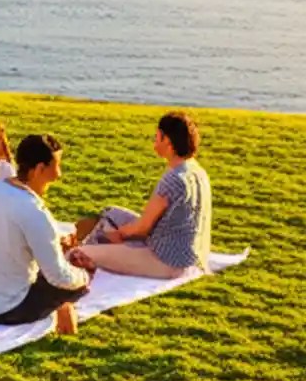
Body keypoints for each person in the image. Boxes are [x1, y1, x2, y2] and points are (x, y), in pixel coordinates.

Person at [0, 134, 93, 334]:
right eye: (56, 166)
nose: (59, 174)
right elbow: (58, 276)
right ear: (39, 169)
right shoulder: (32, 210)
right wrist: (84, 276)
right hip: (4, 309)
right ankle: (65, 312)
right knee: (75, 282)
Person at [71, 111, 212, 279]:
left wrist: (122, 233)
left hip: (166, 261)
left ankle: (79, 252)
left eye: (156, 136)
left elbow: (143, 227)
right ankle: (85, 243)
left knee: (78, 254)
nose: (154, 141)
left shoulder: (173, 179)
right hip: (184, 254)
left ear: (166, 140)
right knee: (110, 213)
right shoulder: (196, 171)